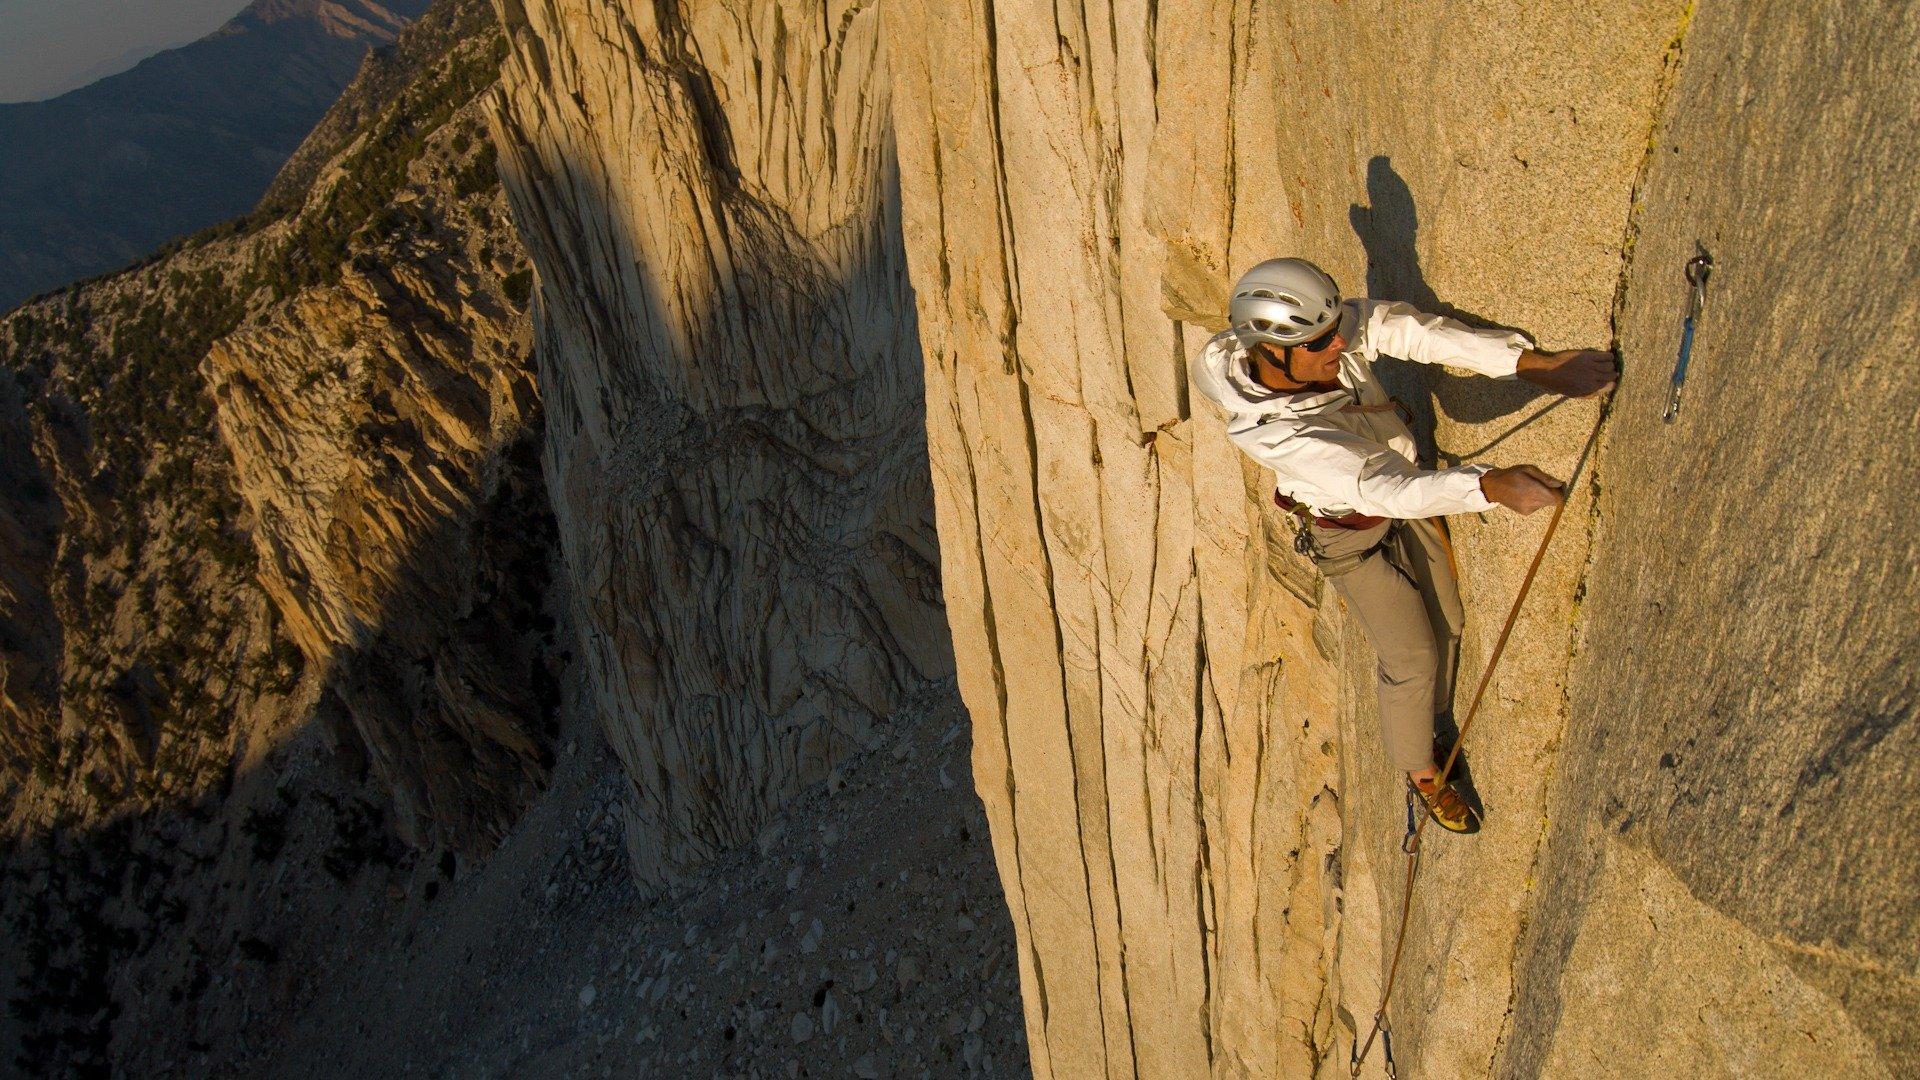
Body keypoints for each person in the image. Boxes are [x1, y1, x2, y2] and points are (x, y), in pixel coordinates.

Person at [1188, 257, 1616, 833]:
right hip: (1348, 537)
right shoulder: (1276, 434)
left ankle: (1429, 719)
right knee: (1411, 657)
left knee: (1449, 623)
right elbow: (1385, 489)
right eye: (1320, 341)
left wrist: (1530, 365)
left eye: (1334, 328)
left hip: (1398, 499)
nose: (1339, 343)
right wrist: (1488, 486)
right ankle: (1420, 771)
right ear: (1272, 352)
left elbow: (1403, 330)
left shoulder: (1311, 343)